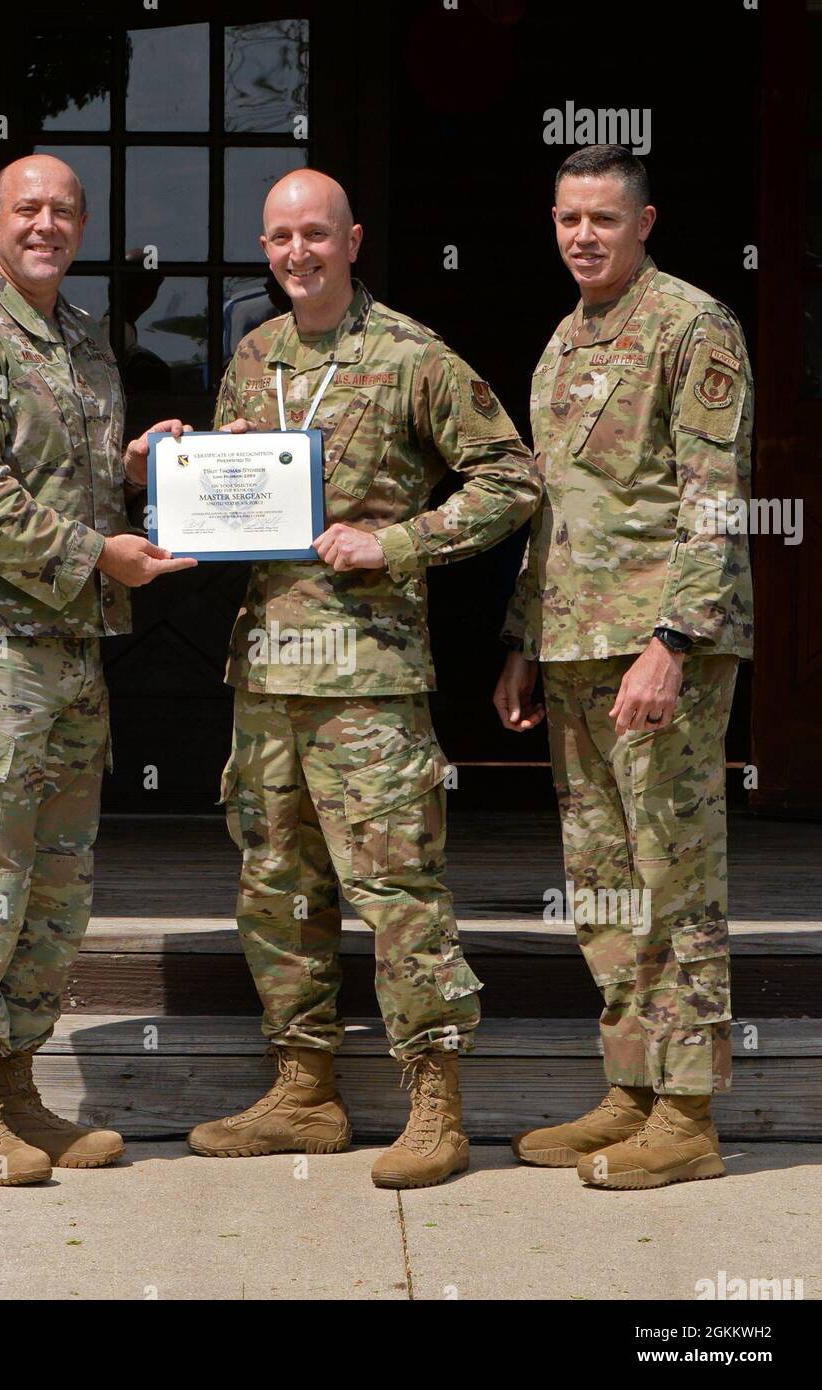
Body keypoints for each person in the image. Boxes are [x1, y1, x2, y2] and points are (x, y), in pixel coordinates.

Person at [177, 169, 541, 1188]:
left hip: (368, 679)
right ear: (266, 247)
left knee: (396, 891)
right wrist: (205, 467)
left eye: (316, 235)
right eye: (280, 236)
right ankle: (303, 1092)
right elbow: (228, 515)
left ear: (352, 240)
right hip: (267, 673)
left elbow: (510, 479)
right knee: (276, 886)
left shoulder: (409, 355)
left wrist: (400, 543)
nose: (298, 252)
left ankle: (435, 1100)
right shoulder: (253, 358)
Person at [0, 154, 196, 1185]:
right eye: (29, 208)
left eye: (64, 211)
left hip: (64, 653)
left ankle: (18, 1086)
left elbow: (60, 465)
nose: (47, 224)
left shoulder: (78, 338)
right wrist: (93, 554)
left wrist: (137, 465)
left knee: (55, 887)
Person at [495, 145, 753, 1190]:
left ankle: (686, 1111)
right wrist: (519, 636)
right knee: (600, 880)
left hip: (656, 651)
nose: (582, 236)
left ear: (644, 223)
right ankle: (629, 1084)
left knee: (671, 875)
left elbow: (713, 497)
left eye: (603, 218)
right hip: (568, 645)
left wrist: (675, 641)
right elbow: (551, 506)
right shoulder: (562, 341)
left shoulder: (691, 324)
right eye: (566, 218)